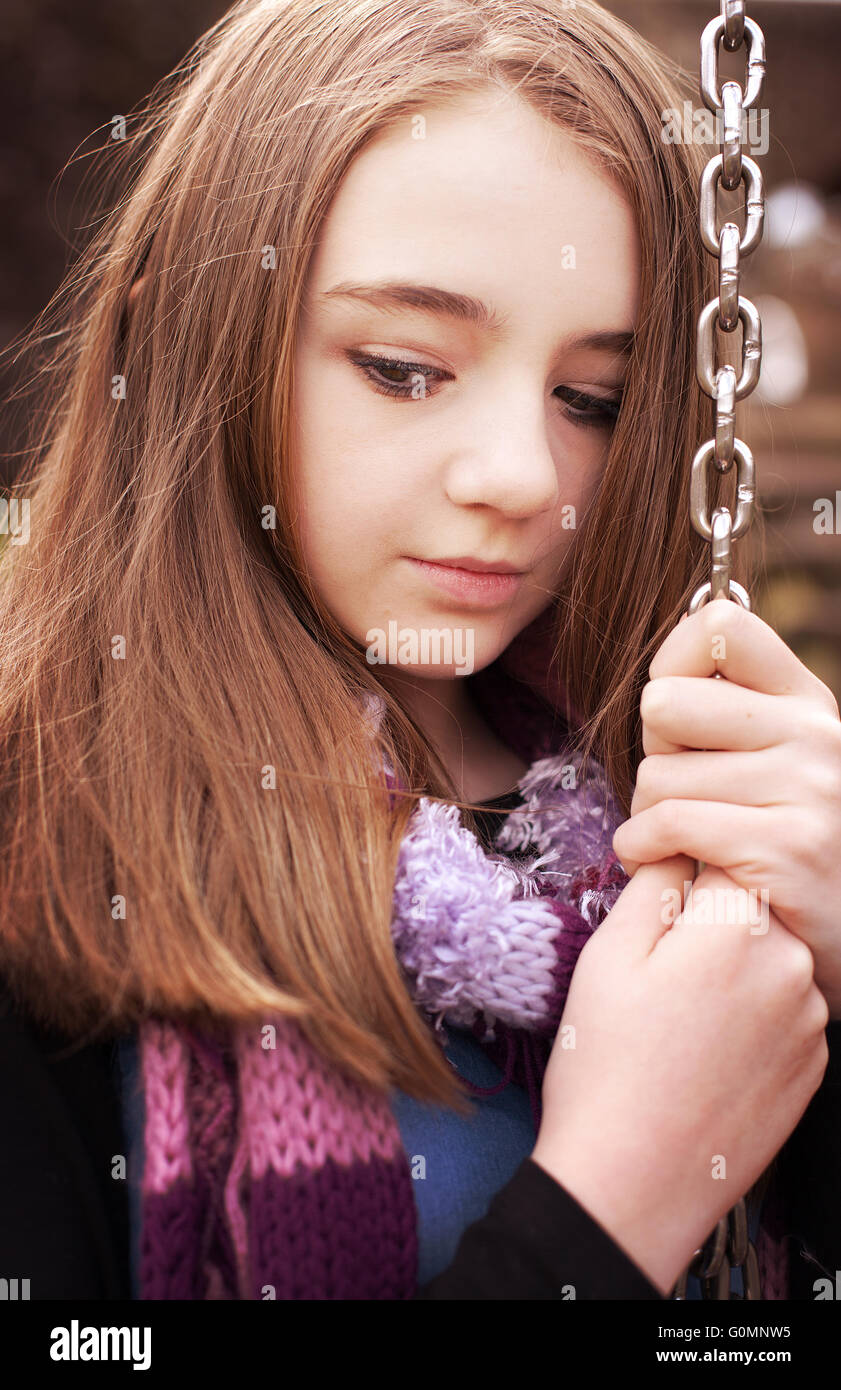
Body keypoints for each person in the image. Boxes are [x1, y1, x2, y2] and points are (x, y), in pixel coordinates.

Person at [1, 0, 839, 1302]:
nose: (518, 474)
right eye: (401, 367)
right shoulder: (37, 848)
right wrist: (611, 1207)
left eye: (591, 399)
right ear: (180, 343)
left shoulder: (681, 804)